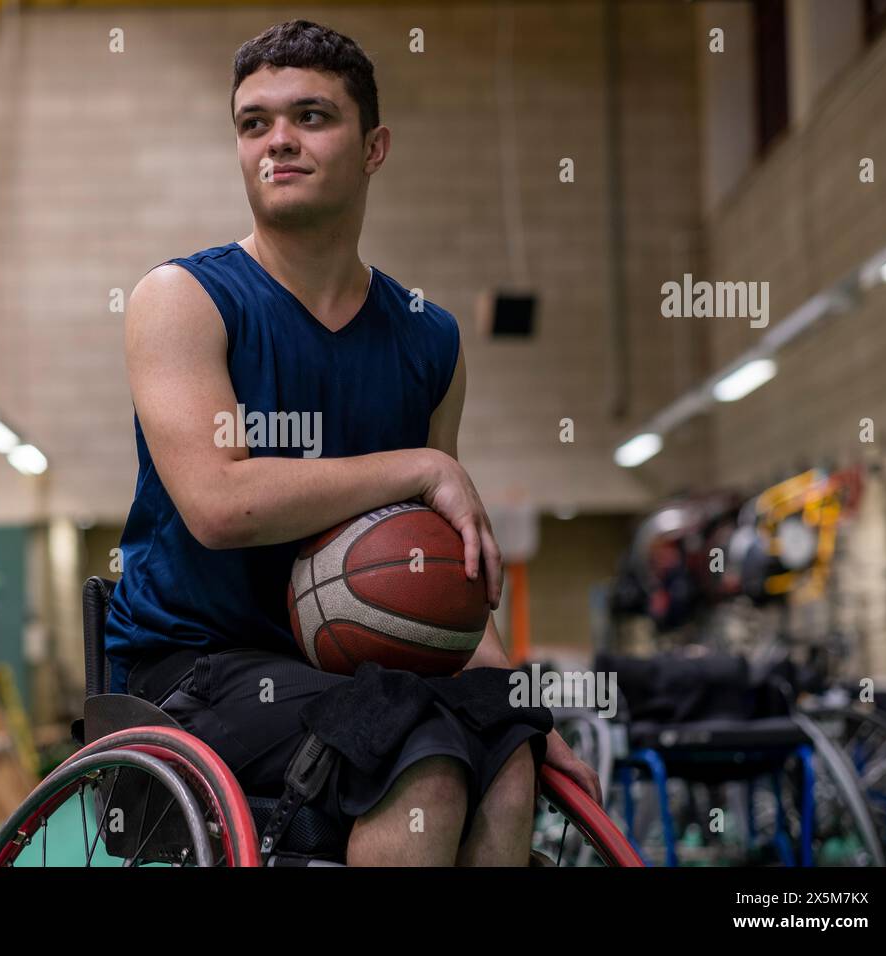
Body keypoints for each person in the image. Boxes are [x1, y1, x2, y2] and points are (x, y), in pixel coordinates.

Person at [105, 19, 599, 866]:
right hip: (191, 673)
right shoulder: (181, 299)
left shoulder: (427, 338)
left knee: (507, 749)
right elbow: (220, 506)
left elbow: (444, 572)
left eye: (310, 117)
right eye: (254, 123)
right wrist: (422, 466)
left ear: (374, 148)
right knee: (424, 759)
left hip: (356, 678)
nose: (278, 142)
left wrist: (514, 701)